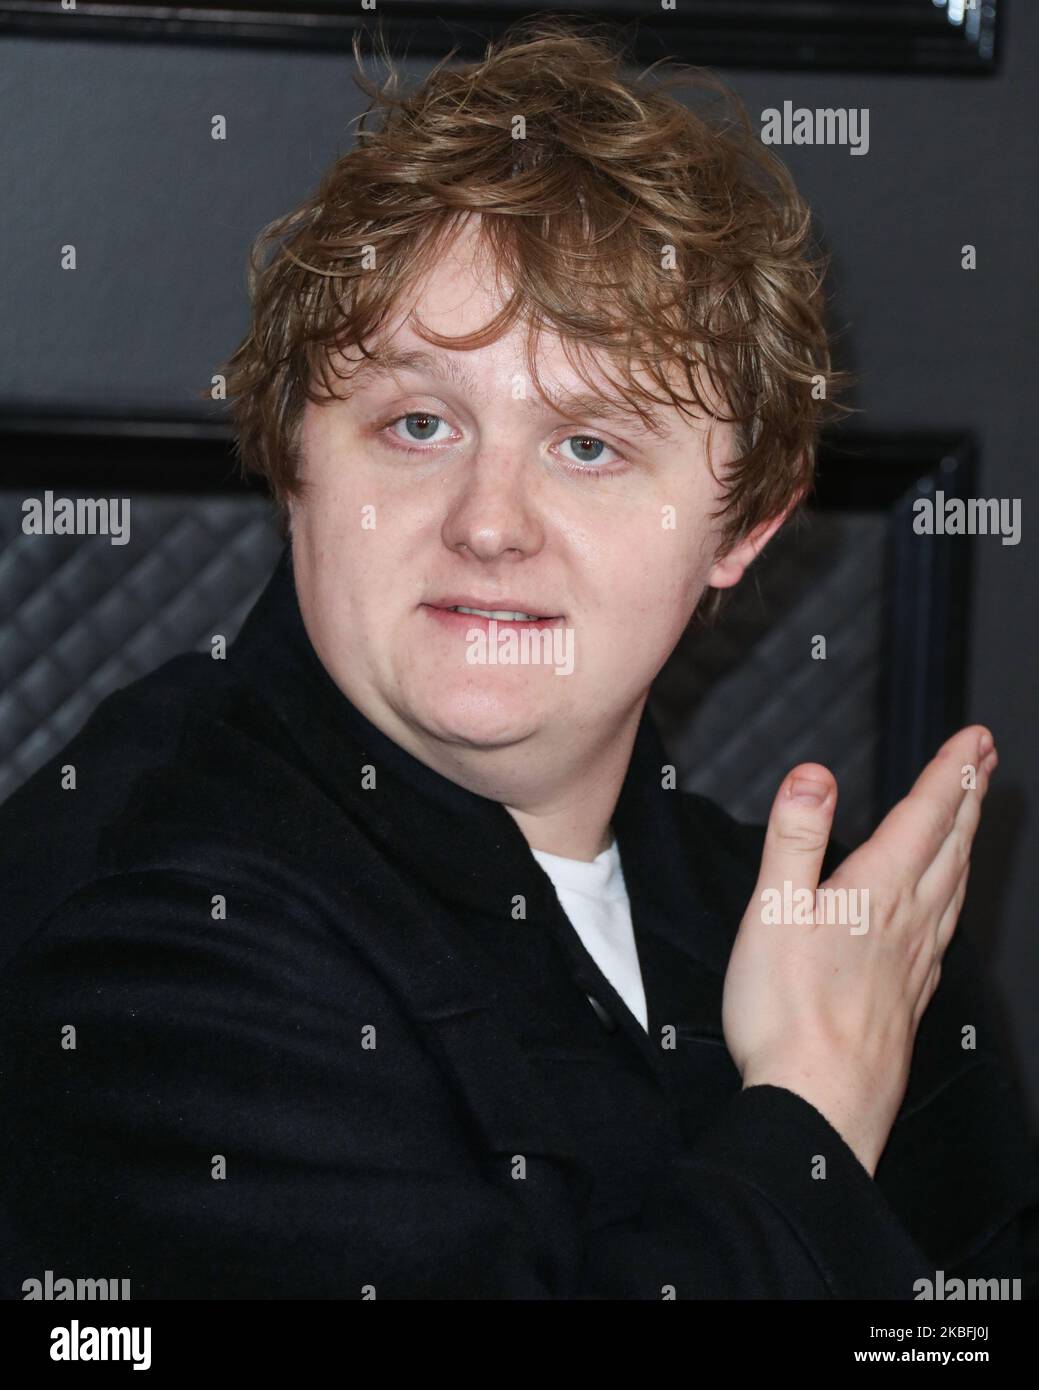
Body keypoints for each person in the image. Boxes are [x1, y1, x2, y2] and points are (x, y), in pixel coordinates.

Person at [1, 18, 1036, 1300]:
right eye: (418, 422)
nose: (489, 521)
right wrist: (813, 1115)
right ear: (294, 464)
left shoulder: (836, 944)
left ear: (745, 523)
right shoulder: (153, 927)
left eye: (591, 445)